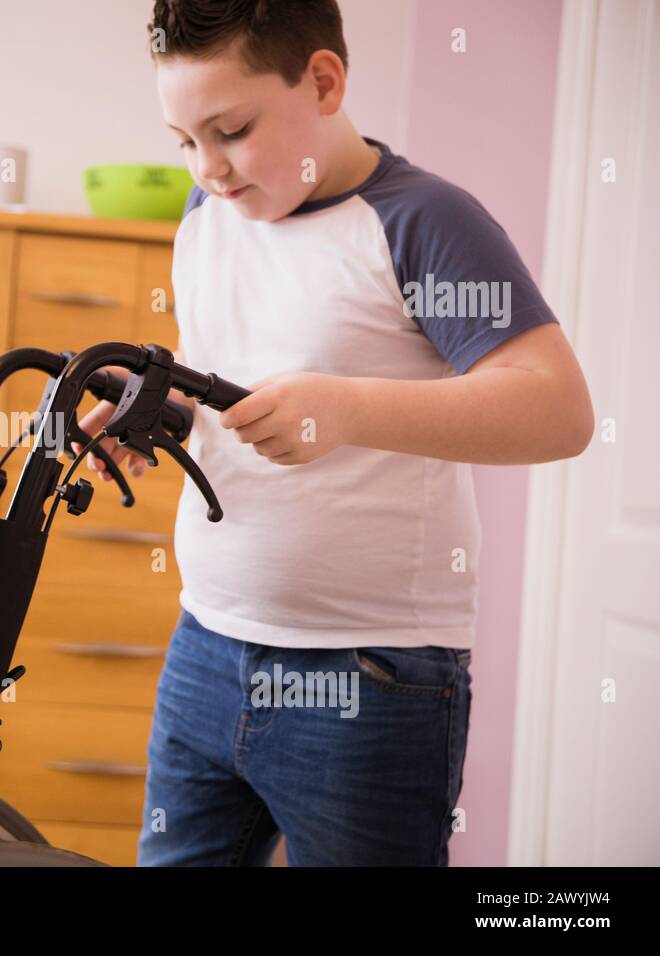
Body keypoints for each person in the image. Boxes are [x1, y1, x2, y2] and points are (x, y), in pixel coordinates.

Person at [74, 0, 594, 865]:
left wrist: (345, 410)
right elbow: (229, 384)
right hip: (204, 645)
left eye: (231, 130)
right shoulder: (207, 223)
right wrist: (164, 409)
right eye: (183, 140)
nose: (207, 169)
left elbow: (557, 409)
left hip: (369, 681)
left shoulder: (424, 220)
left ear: (322, 81)